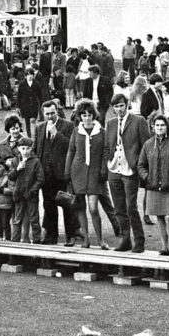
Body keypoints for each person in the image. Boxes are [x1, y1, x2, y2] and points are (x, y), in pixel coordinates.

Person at [103, 94, 151, 253]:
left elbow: (146, 146)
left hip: (130, 170)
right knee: (118, 208)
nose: (119, 109)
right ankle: (125, 240)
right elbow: (107, 146)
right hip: (114, 169)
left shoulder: (139, 121)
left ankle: (139, 241)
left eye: (121, 106)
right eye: (116, 107)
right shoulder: (110, 124)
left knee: (131, 207)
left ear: (127, 105)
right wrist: (107, 162)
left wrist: (139, 165)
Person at [137, 114, 169, 256]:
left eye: (162, 125)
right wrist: (148, 178)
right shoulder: (148, 144)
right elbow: (141, 165)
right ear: (152, 127)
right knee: (159, 216)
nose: (159, 128)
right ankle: (164, 247)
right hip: (153, 187)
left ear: (167, 127)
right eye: (157, 125)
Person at [63, 102, 109, 248]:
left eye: (89, 115)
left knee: (93, 207)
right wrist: (67, 172)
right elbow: (71, 151)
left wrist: (103, 169)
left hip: (95, 174)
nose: (87, 118)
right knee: (80, 207)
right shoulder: (76, 131)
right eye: (84, 115)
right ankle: (86, 240)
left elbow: (106, 151)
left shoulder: (101, 131)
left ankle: (100, 240)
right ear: (80, 116)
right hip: (78, 173)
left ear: (93, 115)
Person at [34, 99, 79, 245]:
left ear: (58, 111)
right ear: (43, 113)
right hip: (46, 175)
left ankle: (70, 236)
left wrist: (56, 133)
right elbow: (37, 149)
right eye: (47, 114)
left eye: (52, 113)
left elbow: (70, 147)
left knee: (66, 205)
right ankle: (51, 236)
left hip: (61, 174)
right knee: (49, 206)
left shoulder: (68, 126)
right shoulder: (39, 127)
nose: (50, 116)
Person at [9, 136, 43, 242]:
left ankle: (37, 240)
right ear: (18, 148)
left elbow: (40, 179)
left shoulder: (35, 161)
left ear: (31, 148)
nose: (25, 151)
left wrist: (33, 190)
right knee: (17, 218)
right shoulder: (15, 161)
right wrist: (17, 169)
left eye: (28, 148)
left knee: (34, 218)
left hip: (31, 195)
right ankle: (15, 240)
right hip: (18, 194)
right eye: (23, 148)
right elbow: (10, 176)